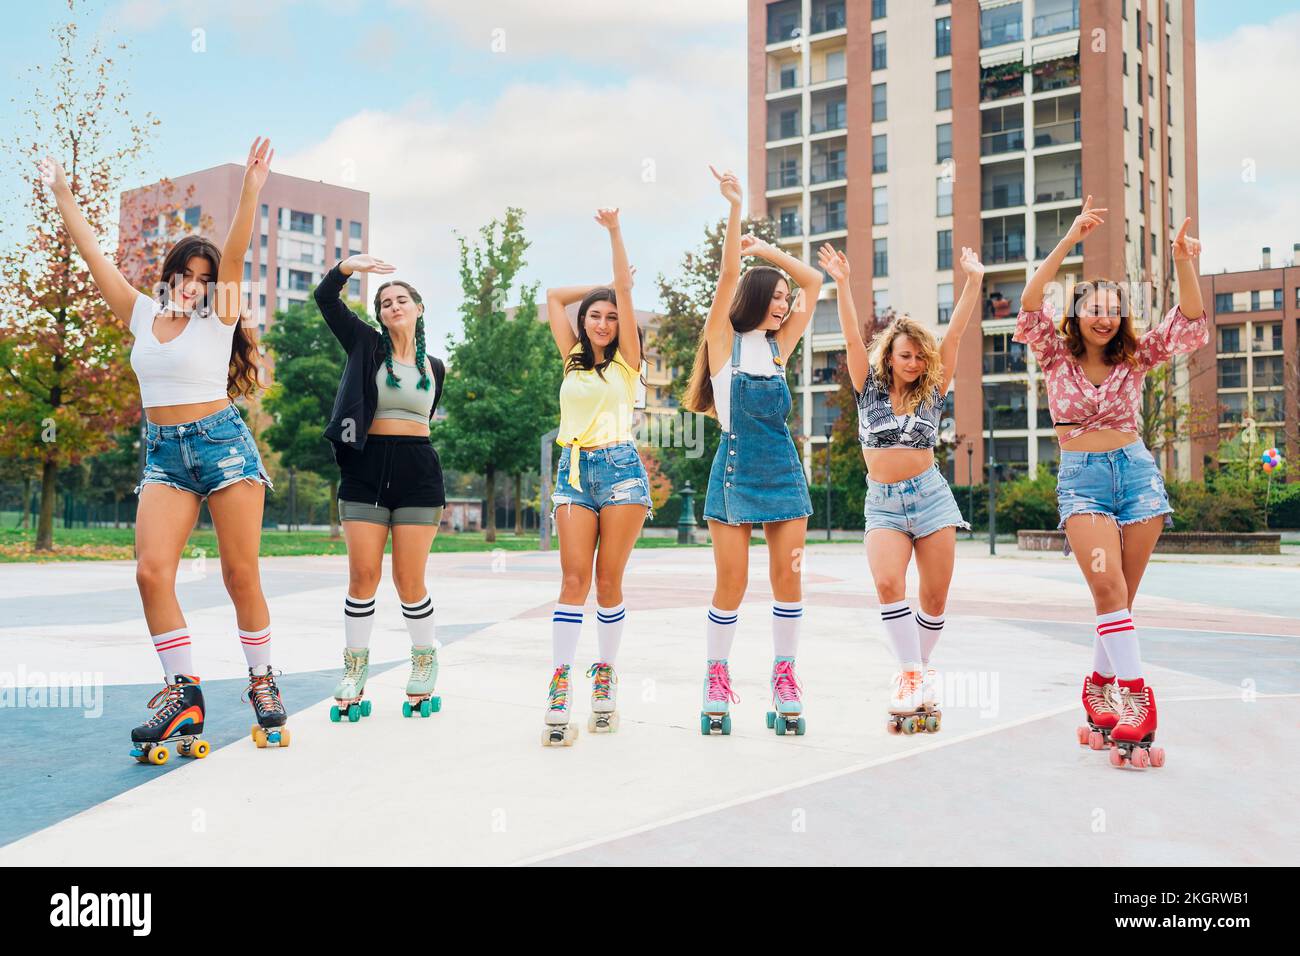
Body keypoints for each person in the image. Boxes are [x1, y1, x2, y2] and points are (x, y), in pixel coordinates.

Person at [40, 138, 286, 762]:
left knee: (239, 574)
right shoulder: (140, 312)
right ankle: (184, 694)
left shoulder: (218, 319)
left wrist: (251, 191)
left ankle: (262, 680)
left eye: (205, 280)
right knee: (151, 572)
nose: (195, 286)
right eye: (187, 275)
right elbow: (93, 254)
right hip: (164, 456)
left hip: (223, 447)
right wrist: (63, 193)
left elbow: (236, 252)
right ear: (170, 273)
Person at [1013, 197, 1207, 768]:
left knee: (1121, 597)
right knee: (1107, 591)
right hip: (1083, 483)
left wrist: (1183, 262)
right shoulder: (1053, 354)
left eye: (1114, 311)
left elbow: (1189, 322)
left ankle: (1099, 687)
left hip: (1138, 477)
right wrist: (1070, 240)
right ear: (1075, 316)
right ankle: (1137, 699)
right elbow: (1030, 301)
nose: (1105, 318)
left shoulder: (1136, 357)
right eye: (1094, 309)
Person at [819, 242, 983, 734]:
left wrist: (973, 280)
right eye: (904, 355)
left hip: (931, 498)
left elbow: (956, 334)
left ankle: (918, 672)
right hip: (884, 504)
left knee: (934, 597)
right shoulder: (867, 388)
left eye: (918, 357)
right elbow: (851, 337)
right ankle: (911, 676)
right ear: (889, 356)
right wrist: (842, 284)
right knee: (889, 584)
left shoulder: (934, 390)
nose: (912, 363)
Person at [682, 167, 822, 737]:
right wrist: (735, 209)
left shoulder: (780, 347)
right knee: (732, 584)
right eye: (778, 297)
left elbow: (814, 281)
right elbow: (725, 279)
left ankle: (784, 676)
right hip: (735, 474)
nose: (786, 304)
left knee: (789, 580)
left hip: (784, 474)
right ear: (759, 298)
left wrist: (768, 250)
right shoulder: (724, 343)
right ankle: (716, 677)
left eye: (786, 299)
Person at [313, 254, 447, 722]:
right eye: (385, 302)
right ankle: (354, 669)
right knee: (363, 575)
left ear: (419, 308)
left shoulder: (436, 367)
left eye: (401, 299)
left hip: (418, 472)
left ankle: (424, 660)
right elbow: (326, 299)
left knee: (409, 581)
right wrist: (348, 267)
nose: (393, 306)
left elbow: (425, 420)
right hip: (365, 469)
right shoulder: (366, 345)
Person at [541, 208, 647, 746]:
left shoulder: (627, 363)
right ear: (584, 322)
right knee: (573, 580)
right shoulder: (573, 360)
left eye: (610, 316)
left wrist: (614, 236)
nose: (603, 323)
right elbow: (554, 296)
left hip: (622, 473)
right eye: (595, 316)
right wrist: (597, 288)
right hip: (574, 473)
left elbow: (625, 290)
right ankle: (561, 682)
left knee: (608, 581)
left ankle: (605, 676)